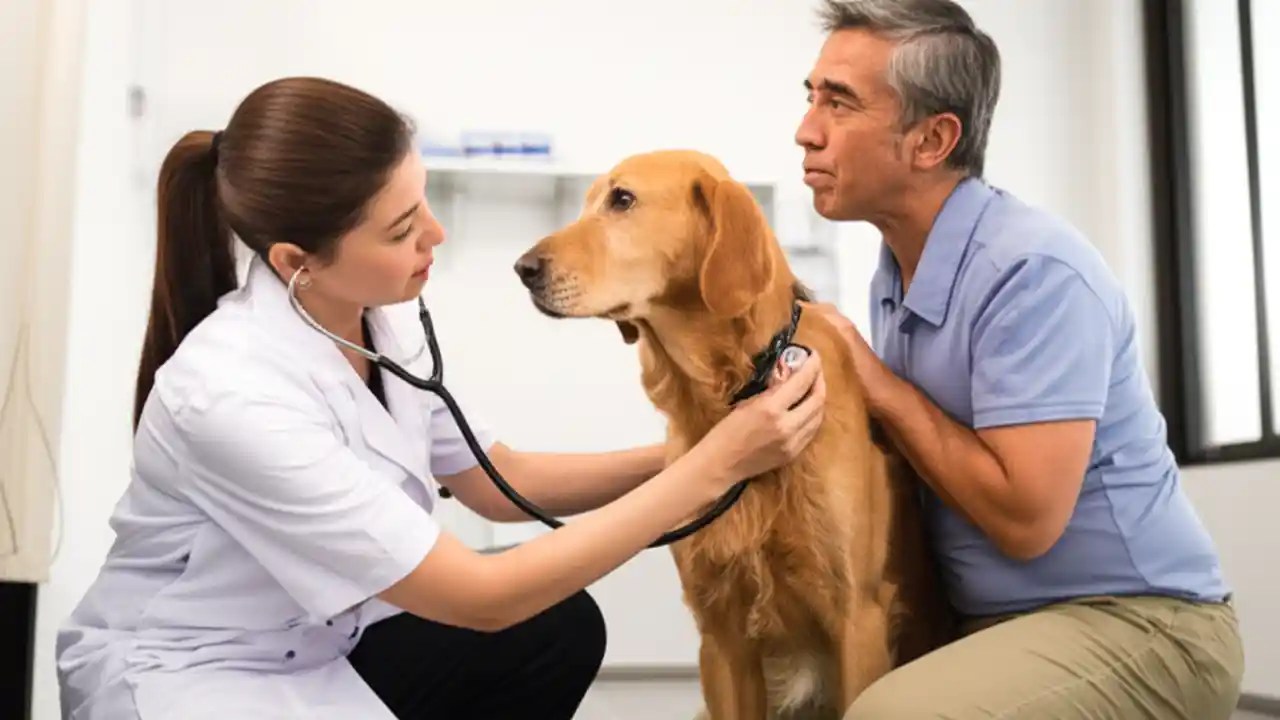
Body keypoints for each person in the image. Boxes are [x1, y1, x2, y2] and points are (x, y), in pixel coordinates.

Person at [55, 76, 827, 720]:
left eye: (422, 202)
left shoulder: (375, 323)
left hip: (319, 646)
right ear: (299, 262)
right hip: (196, 679)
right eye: (401, 230)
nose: (437, 235)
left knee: (555, 628)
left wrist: (696, 451)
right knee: (515, 611)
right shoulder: (229, 396)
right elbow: (483, 595)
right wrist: (716, 466)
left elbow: (501, 479)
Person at [793, 1, 1244, 718]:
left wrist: (871, 380)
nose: (806, 130)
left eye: (839, 103)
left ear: (933, 139)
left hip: (1142, 623)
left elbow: (1027, 523)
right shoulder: (897, 271)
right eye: (811, 97)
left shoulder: (1032, 269)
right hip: (994, 622)